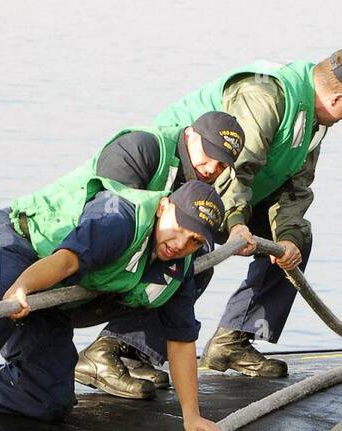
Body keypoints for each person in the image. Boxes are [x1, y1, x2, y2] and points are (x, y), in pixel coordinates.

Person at [0, 177, 228, 431]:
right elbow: (66, 260)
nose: (182, 243)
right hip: (9, 241)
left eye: (195, 241)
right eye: (179, 227)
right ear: (163, 207)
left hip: (52, 287)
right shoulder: (119, 219)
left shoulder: (178, 267)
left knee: (48, 399)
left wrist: (191, 416)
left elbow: (182, 339)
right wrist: (21, 287)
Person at [154, 48, 342, 379]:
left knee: (298, 240)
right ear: (338, 99)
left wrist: (288, 240)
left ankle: (234, 339)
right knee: (192, 251)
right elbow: (233, 169)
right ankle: (123, 347)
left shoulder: (314, 123)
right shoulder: (266, 94)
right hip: (178, 188)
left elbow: (296, 188)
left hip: (230, 195)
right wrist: (235, 224)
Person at [66, 112, 245, 398]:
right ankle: (103, 355)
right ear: (190, 135)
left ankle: (128, 351)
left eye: (223, 164)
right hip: (77, 251)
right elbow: (109, 220)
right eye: (210, 154)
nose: (213, 168)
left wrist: (236, 225)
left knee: (197, 262)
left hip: (126, 265)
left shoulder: (198, 175)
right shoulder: (141, 148)